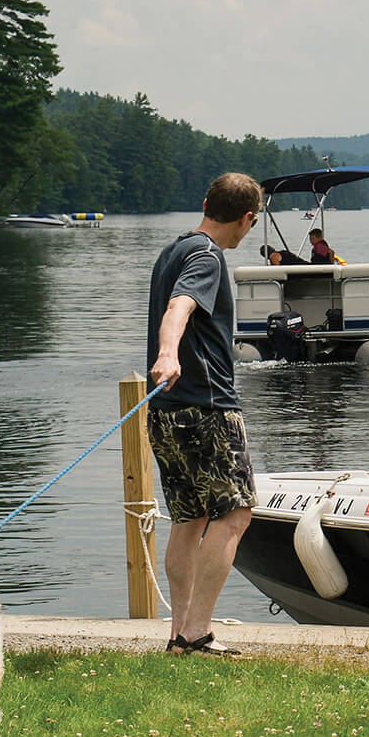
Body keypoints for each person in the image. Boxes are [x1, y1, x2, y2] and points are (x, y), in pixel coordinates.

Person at [147, 172, 264, 656]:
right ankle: (196, 632)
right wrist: (168, 353)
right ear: (246, 218)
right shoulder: (207, 256)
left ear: (204, 204)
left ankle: (180, 634)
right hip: (206, 408)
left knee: (189, 518)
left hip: (164, 411)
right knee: (234, 514)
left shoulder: (172, 250)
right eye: (251, 224)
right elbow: (179, 307)